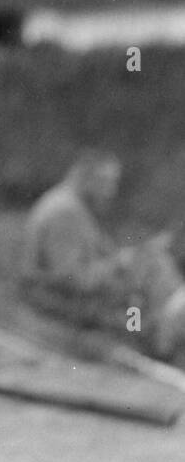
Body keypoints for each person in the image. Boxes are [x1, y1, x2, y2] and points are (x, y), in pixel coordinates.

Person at [20, 150, 185, 361]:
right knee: (148, 286)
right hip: (57, 306)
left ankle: (169, 320)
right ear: (85, 176)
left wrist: (131, 257)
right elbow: (71, 279)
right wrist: (121, 263)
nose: (110, 191)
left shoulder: (74, 207)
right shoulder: (65, 212)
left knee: (153, 265)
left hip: (72, 300)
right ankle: (167, 328)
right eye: (105, 182)